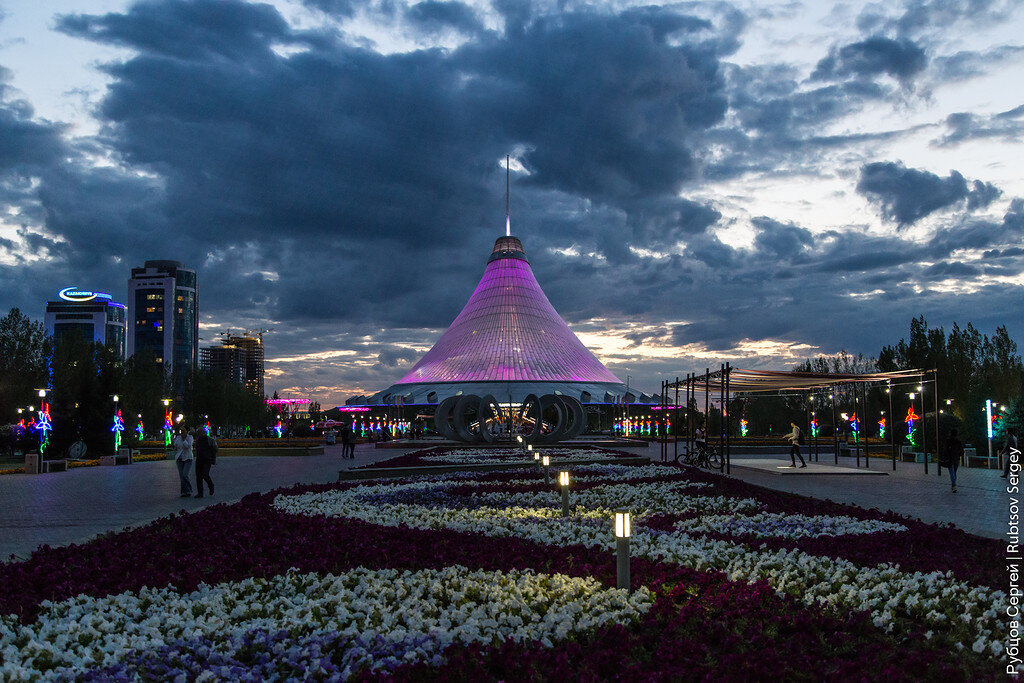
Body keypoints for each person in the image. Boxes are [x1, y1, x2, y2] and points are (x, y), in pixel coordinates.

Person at [193, 427, 217, 498]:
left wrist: (213, 458)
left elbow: (215, 449)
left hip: (207, 460)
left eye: (199, 433)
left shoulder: (210, 440)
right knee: (198, 477)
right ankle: (200, 493)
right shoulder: (198, 440)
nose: (198, 434)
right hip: (199, 460)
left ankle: (211, 485)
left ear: (203, 432)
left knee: (205, 474)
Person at [172, 426, 194, 498]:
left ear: (186, 431)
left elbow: (188, 446)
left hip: (187, 458)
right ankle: (184, 492)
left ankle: (189, 489)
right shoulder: (178, 438)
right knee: (182, 476)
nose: (182, 432)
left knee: (185, 475)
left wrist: (184, 439)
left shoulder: (190, 437)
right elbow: (175, 446)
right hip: (179, 459)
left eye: (183, 431)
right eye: (181, 431)